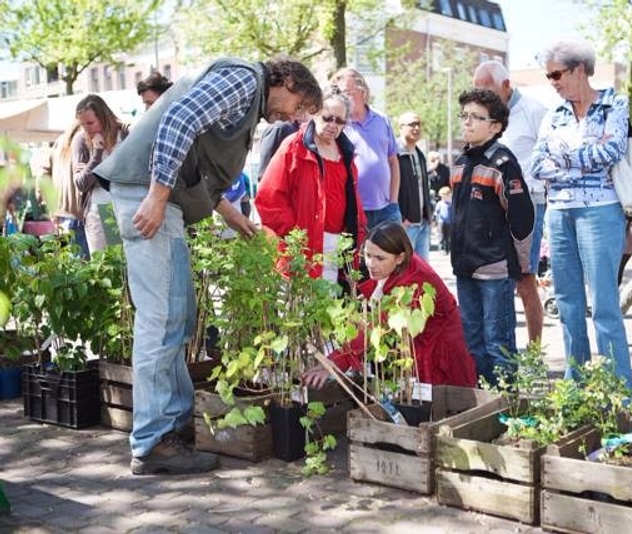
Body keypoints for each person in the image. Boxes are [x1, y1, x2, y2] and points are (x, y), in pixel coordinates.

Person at [93, 56, 322, 475]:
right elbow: (179, 120)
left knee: (178, 319)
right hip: (149, 196)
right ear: (288, 80)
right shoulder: (245, 79)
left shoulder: (249, 104)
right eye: (301, 106)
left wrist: (234, 217)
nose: (294, 118)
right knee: (160, 321)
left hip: (165, 202)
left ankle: (173, 429)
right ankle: (152, 441)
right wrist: (158, 196)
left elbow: (196, 161)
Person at [530, 41, 632, 390]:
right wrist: (581, 159)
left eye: (556, 74)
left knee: (604, 304)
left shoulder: (614, 104)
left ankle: (619, 393)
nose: (552, 82)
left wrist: (564, 156)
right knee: (568, 305)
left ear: (579, 69)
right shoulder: (553, 114)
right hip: (559, 214)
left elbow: (611, 152)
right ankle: (577, 387)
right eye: (548, 75)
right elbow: (537, 164)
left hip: (600, 213)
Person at [302, 222, 476, 389]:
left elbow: (377, 326)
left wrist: (335, 361)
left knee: (447, 406)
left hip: (440, 351)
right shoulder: (398, 262)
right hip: (421, 345)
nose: (371, 263)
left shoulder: (414, 280)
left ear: (400, 258)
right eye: (368, 255)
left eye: (379, 258)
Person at [451, 88, 534, 386]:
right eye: (465, 116)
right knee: (472, 341)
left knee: (497, 342)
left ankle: (506, 405)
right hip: (465, 267)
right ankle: (483, 405)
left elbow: (522, 217)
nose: (468, 122)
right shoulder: (460, 162)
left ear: (495, 126)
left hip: (495, 269)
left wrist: (519, 265)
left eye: (477, 117)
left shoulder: (502, 163)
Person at [256, 85, 366, 283]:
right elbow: (268, 198)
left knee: (332, 308)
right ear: (314, 113)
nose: (333, 125)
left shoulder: (347, 154)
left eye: (339, 120)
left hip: (338, 248)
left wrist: (359, 233)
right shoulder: (293, 146)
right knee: (301, 308)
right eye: (327, 117)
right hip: (302, 248)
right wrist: (295, 236)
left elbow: (354, 204)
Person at [474, 60, 548, 344]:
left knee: (524, 278)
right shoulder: (482, 117)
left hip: (526, 205)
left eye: (487, 89)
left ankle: (533, 350)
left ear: (506, 86)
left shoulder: (534, 111)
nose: (481, 96)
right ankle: (501, 350)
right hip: (489, 207)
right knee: (493, 279)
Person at [331, 68, 401, 229]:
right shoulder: (340, 125)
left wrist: (394, 201)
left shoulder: (381, 119)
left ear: (362, 91)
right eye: (340, 94)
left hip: (386, 209)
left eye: (347, 92)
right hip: (354, 210)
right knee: (357, 255)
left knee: (391, 253)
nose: (343, 98)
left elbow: (393, 161)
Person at [71, 94, 128, 256]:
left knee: (125, 263)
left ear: (104, 117)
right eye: (82, 124)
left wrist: (91, 172)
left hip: (124, 205)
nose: (87, 129)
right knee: (102, 265)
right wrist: (96, 155)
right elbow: (81, 184)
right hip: (97, 207)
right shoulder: (81, 141)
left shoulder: (122, 134)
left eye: (90, 123)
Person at [43, 122, 90, 258]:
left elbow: (43, 173)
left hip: (63, 212)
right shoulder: (84, 139)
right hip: (79, 212)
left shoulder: (60, 141)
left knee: (74, 263)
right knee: (84, 265)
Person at [396, 111, 432, 261]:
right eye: (412, 124)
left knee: (423, 272)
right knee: (404, 272)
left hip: (423, 224)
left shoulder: (420, 155)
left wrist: (428, 216)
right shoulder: (394, 155)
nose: (417, 128)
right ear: (400, 127)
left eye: (419, 124)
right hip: (406, 225)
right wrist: (400, 218)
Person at [433, 186, 452, 254]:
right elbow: (436, 212)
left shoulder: (452, 203)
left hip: (450, 222)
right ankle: (442, 248)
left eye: (445, 196)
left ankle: (448, 248)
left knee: (449, 236)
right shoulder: (440, 203)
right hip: (441, 222)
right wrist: (434, 219)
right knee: (441, 235)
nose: (444, 198)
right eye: (442, 196)